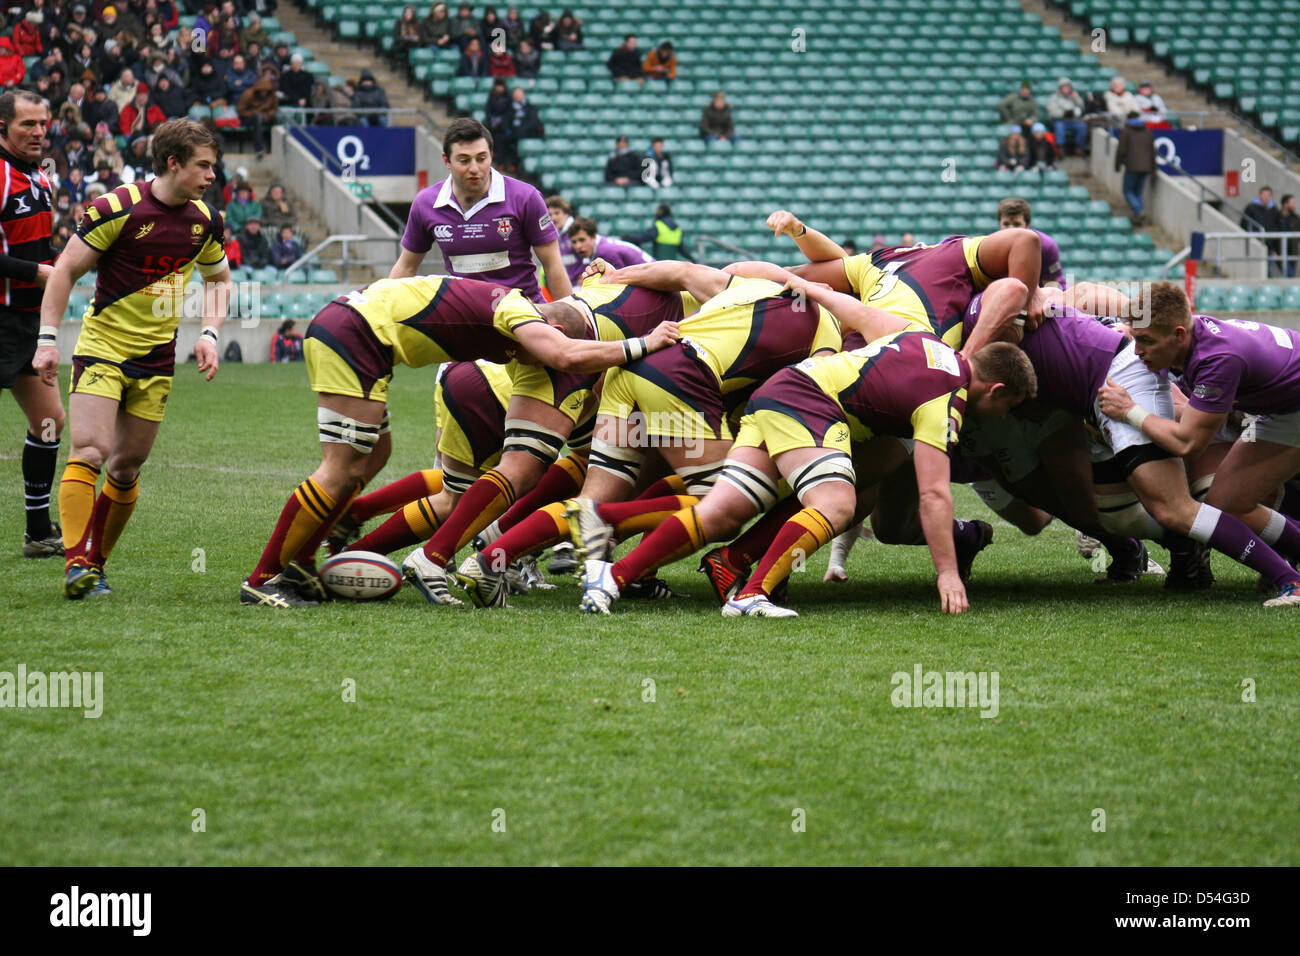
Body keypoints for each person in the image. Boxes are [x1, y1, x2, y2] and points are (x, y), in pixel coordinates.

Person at [239, 274, 680, 606]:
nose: (529, 366)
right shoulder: (517, 310)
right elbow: (561, 354)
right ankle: (264, 579)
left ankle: (302, 563)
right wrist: (643, 343)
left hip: (358, 333)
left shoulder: (509, 304)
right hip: (357, 336)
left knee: (374, 459)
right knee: (342, 468)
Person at [34, 119, 230, 600]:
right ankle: (75, 562)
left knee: (125, 467)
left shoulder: (205, 220)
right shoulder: (115, 207)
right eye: (203, 166)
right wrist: (47, 338)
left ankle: (94, 564)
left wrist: (208, 333)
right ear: (173, 162)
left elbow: (220, 280)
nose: (211, 176)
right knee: (91, 450)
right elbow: (65, 272)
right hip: (103, 349)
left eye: (213, 166)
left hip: (157, 359)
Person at [1097, 281, 1300, 606]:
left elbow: (1187, 443)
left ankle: (1292, 580)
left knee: (1229, 500)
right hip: (1279, 406)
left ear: (1178, 334)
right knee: (1225, 501)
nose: (1137, 352)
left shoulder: (1218, 358)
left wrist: (1129, 410)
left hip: (1292, 409)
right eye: (1136, 340)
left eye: (1146, 341)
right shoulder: (1188, 340)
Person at [391, 118, 571, 302]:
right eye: (464, 160)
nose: (474, 168)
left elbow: (552, 264)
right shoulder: (426, 203)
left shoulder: (525, 197)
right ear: (447, 160)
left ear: (491, 155)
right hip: (465, 317)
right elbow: (406, 267)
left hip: (523, 312)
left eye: (481, 158)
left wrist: (572, 317)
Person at [0, 91, 66, 559]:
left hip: (26, 323)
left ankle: (39, 533)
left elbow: (38, 249)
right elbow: (26, 263)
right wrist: (35, 272)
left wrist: (60, 265)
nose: (38, 131)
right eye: (27, 124)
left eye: (43, 123)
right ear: (3, 127)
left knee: (49, 421)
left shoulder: (40, 176)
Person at [567, 216, 654, 270]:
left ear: (593, 236)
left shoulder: (605, 252)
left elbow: (619, 284)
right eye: (574, 242)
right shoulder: (601, 245)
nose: (578, 246)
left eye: (582, 240)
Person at [1115, 111, 1155, 225]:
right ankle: (1139, 212)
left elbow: (1121, 150)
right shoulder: (1148, 132)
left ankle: (1139, 211)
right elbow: (1153, 152)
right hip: (1146, 167)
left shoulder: (1126, 132)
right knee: (1138, 192)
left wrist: (1117, 165)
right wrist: (1153, 169)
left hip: (1132, 167)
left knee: (1127, 191)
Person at [623, 203, 693, 261]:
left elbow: (643, 238)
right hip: (673, 267)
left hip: (659, 265)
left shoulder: (659, 226)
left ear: (661, 212)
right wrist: (693, 259)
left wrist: (627, 237)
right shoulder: (678, 230)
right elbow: (683, 251)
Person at [238, 64, 279, 159]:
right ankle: (259, 149)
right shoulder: (248, 94)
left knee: (276, 118)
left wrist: (269, 114)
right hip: (249, 119)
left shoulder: (272, 95)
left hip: (266, 116)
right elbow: (241, 111)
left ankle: (274, 147)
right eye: (262, 91)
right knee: (258, 118)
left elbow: (274, 108)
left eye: (266, 91)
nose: (264, 93)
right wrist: (254, 113)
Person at [1046, 77, 1088, 156]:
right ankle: (1060, 148)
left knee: (1082, 126)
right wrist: (1063, 113)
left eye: (1068, 87)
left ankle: (1078, 147)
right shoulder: (1054, 98)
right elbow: (1052, 111)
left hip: (1072, 120)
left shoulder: (1073, 97)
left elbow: (1082, 108)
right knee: (1059, 126)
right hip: (1060, 120)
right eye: (1064, 87)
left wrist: (1077, 99)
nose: (1066, 89)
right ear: (1060, 88)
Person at [1277, 193, 1299, 278]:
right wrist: (1274, 250)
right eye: (1292, 203)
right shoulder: (1277, 217)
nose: (1294, 205)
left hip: (1293, 251)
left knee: (1291, 275)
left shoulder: (1296, 218)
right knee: (1289, 274)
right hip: (1280, 251)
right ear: (1285, 204)